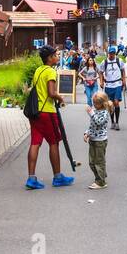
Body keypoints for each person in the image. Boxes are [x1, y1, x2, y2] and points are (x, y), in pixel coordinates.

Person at [26, 45, 74, 190]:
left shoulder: (38, 70)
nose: (57, 57)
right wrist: (61, 98)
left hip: (35, 112)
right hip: (47, 112)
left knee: (35, 143)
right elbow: (51, 93)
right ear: (50, 58)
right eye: (56, 55)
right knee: (54, 143)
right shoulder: (51, 71)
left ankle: (31, 178)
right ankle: (58, 177)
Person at [84, 90, 111, 190]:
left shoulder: (104, 112)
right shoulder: (95, 111)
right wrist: (87, 133)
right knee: (92, 161)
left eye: (96, 103)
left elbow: (99, 122)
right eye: (93, 102)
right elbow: (92, 125)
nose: (94, 105)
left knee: (99, 161)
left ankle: (101, 182)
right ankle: (100, 175)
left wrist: (91, 113)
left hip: (100, 141)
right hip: (93, 139)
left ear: (102, 103)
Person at [101, 46, 126, 130]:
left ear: (115, 54)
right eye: (110, 53)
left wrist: (124, 80)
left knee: (116, 102)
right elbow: (100, 72)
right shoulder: (104, 62)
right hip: (108, 85)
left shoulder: (119, 61)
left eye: (113, 53)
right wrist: (101, 81)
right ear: (108, 53)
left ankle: (117, 122)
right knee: (110, 104)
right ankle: (112, 122)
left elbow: (123, 70)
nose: (111, 55)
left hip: (117, 84)